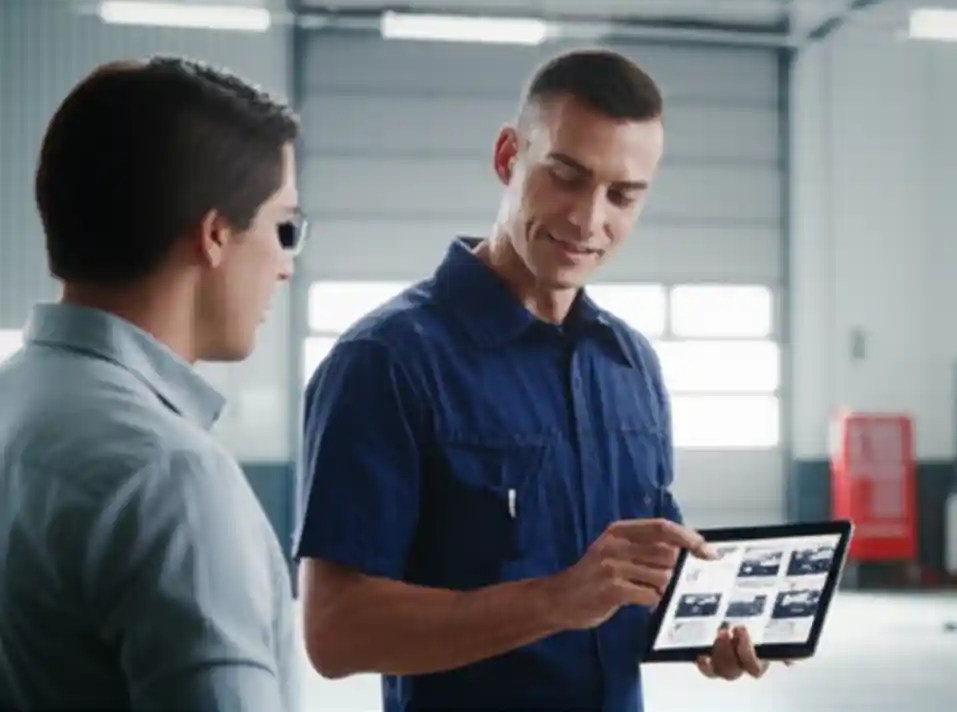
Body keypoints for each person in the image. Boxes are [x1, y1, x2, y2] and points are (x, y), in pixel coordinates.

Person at [296, 48, 775, 710]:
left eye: (622, 196)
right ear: (508, 157)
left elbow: (641, 586)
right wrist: (556, 600)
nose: (588, 219)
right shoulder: (386, 362)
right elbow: (335, 632)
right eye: (566, 177)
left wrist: (706, 630)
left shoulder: (630, 364)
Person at [0, 56, 304, 711]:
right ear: (215, 235)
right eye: (284, 227)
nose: (286, 266)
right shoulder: (169, 476)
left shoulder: (14, 404)